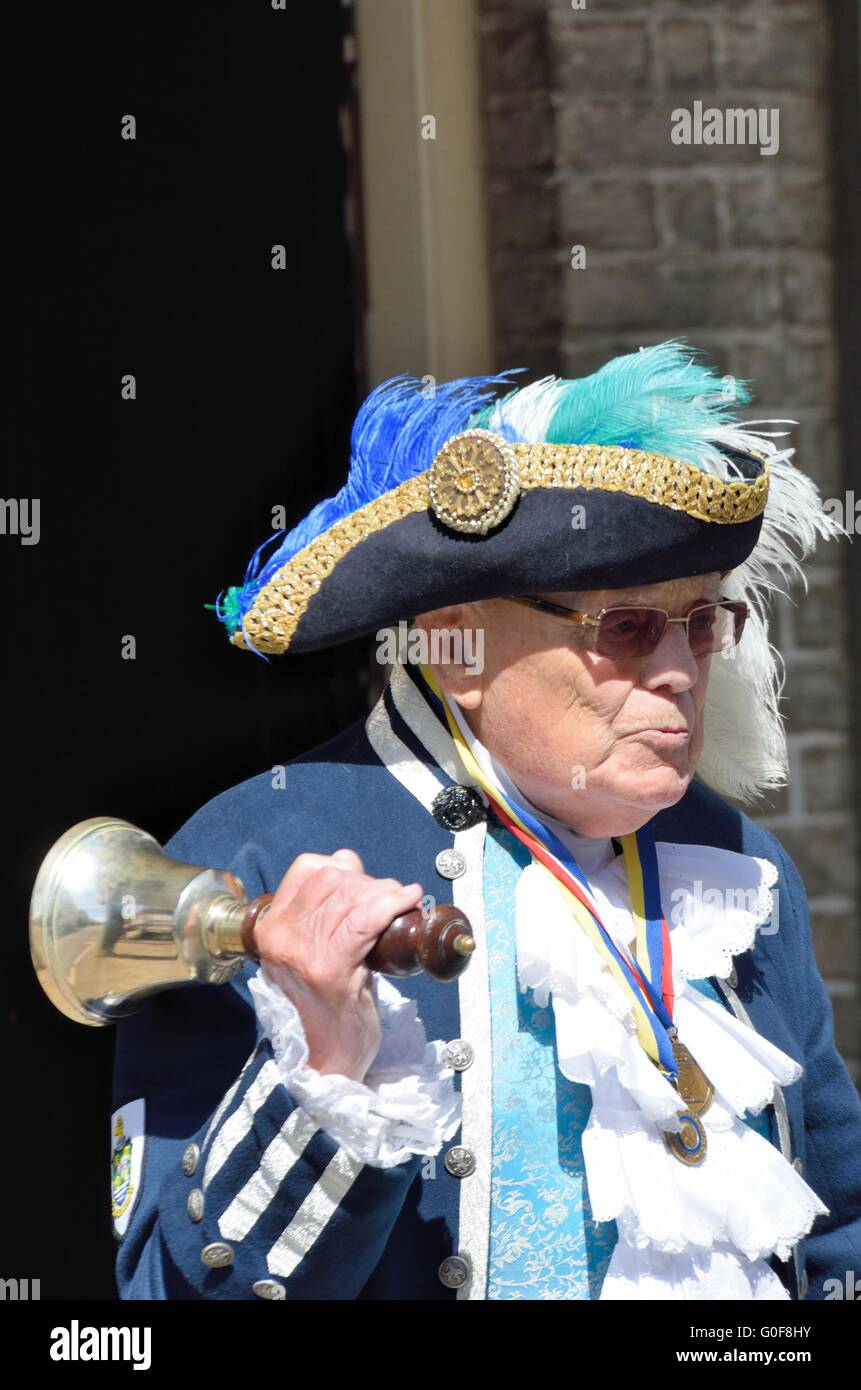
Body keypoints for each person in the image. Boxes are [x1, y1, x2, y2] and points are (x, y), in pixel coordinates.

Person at [112, 339, 861, 1300]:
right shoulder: (253, 852)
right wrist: (333, 1081)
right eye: (626, 627)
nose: (679, 669)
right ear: (456, 647)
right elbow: (156, 1300)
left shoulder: (733, 862)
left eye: (702, 622)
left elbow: (834, 1226)